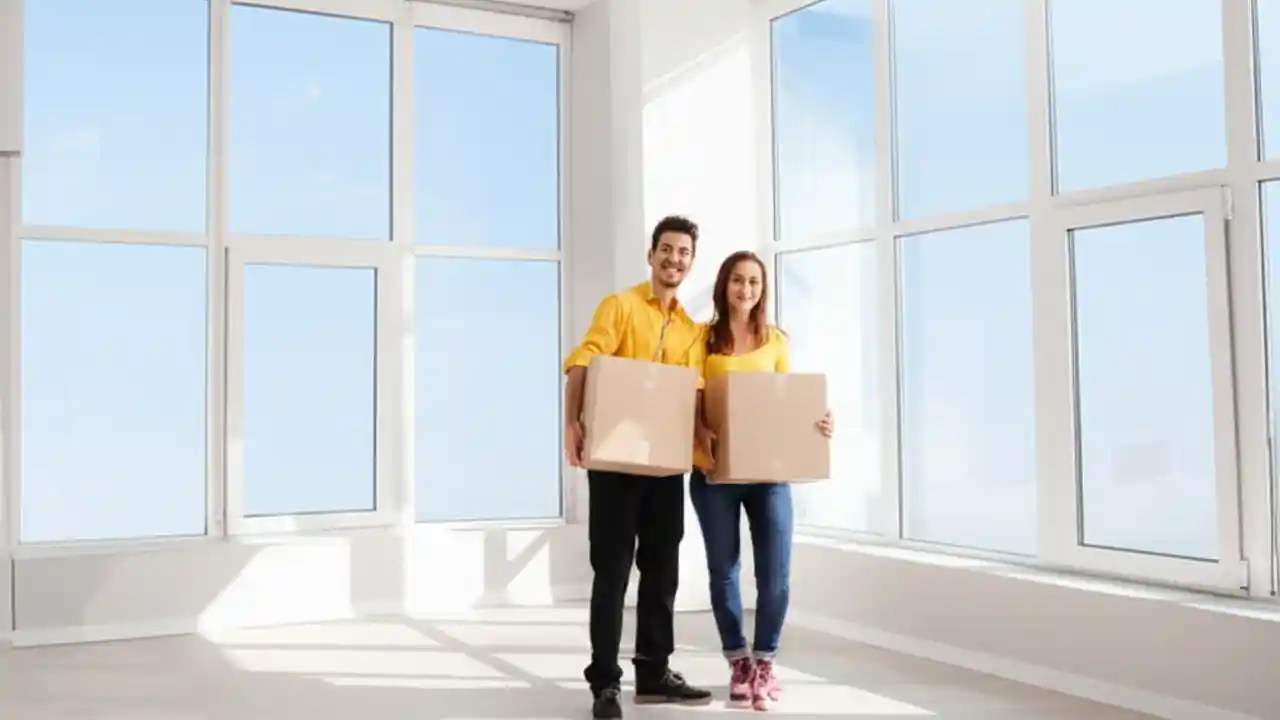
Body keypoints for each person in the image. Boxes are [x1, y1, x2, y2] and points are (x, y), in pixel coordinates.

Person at [563, 215, 715, 719]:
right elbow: (584, 362)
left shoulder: (693, 332)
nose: (674, 259)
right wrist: (571, 423)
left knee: (662, 574)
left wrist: (705, 437)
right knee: (611, 575)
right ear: (651, 255)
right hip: (614, 466)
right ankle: (605, 683)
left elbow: (692, 397)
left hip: (665, 469)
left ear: (691, 263)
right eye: (667, 250)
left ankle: (653, 672)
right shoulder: (621, 307)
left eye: (684, 253)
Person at [690, 250, 834, 712]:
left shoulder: (775, 340)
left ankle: (766, 661)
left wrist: (820, 421)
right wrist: (699, 429)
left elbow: (784, 401)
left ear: (762, 288)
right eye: (737, 280)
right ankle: (738, 663)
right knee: (723, 570)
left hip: (769, 475)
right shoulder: (703, 340)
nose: (745, 289)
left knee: (775, 575)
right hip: (714, 472)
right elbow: (689, 397)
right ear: (724, 286)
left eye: (753, 281)